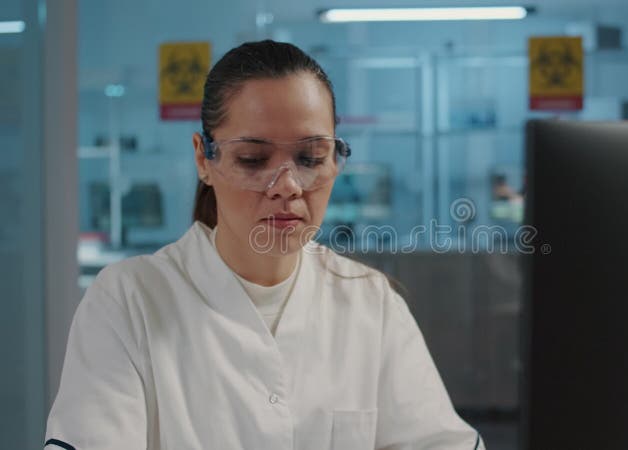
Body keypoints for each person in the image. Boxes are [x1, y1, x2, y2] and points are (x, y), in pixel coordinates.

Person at [44, 40, 484, 450]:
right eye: (253, 160)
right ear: (203, 158)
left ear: (336, 160)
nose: (287, 186)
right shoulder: (129, 301)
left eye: (311, 158)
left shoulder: (372, 303)